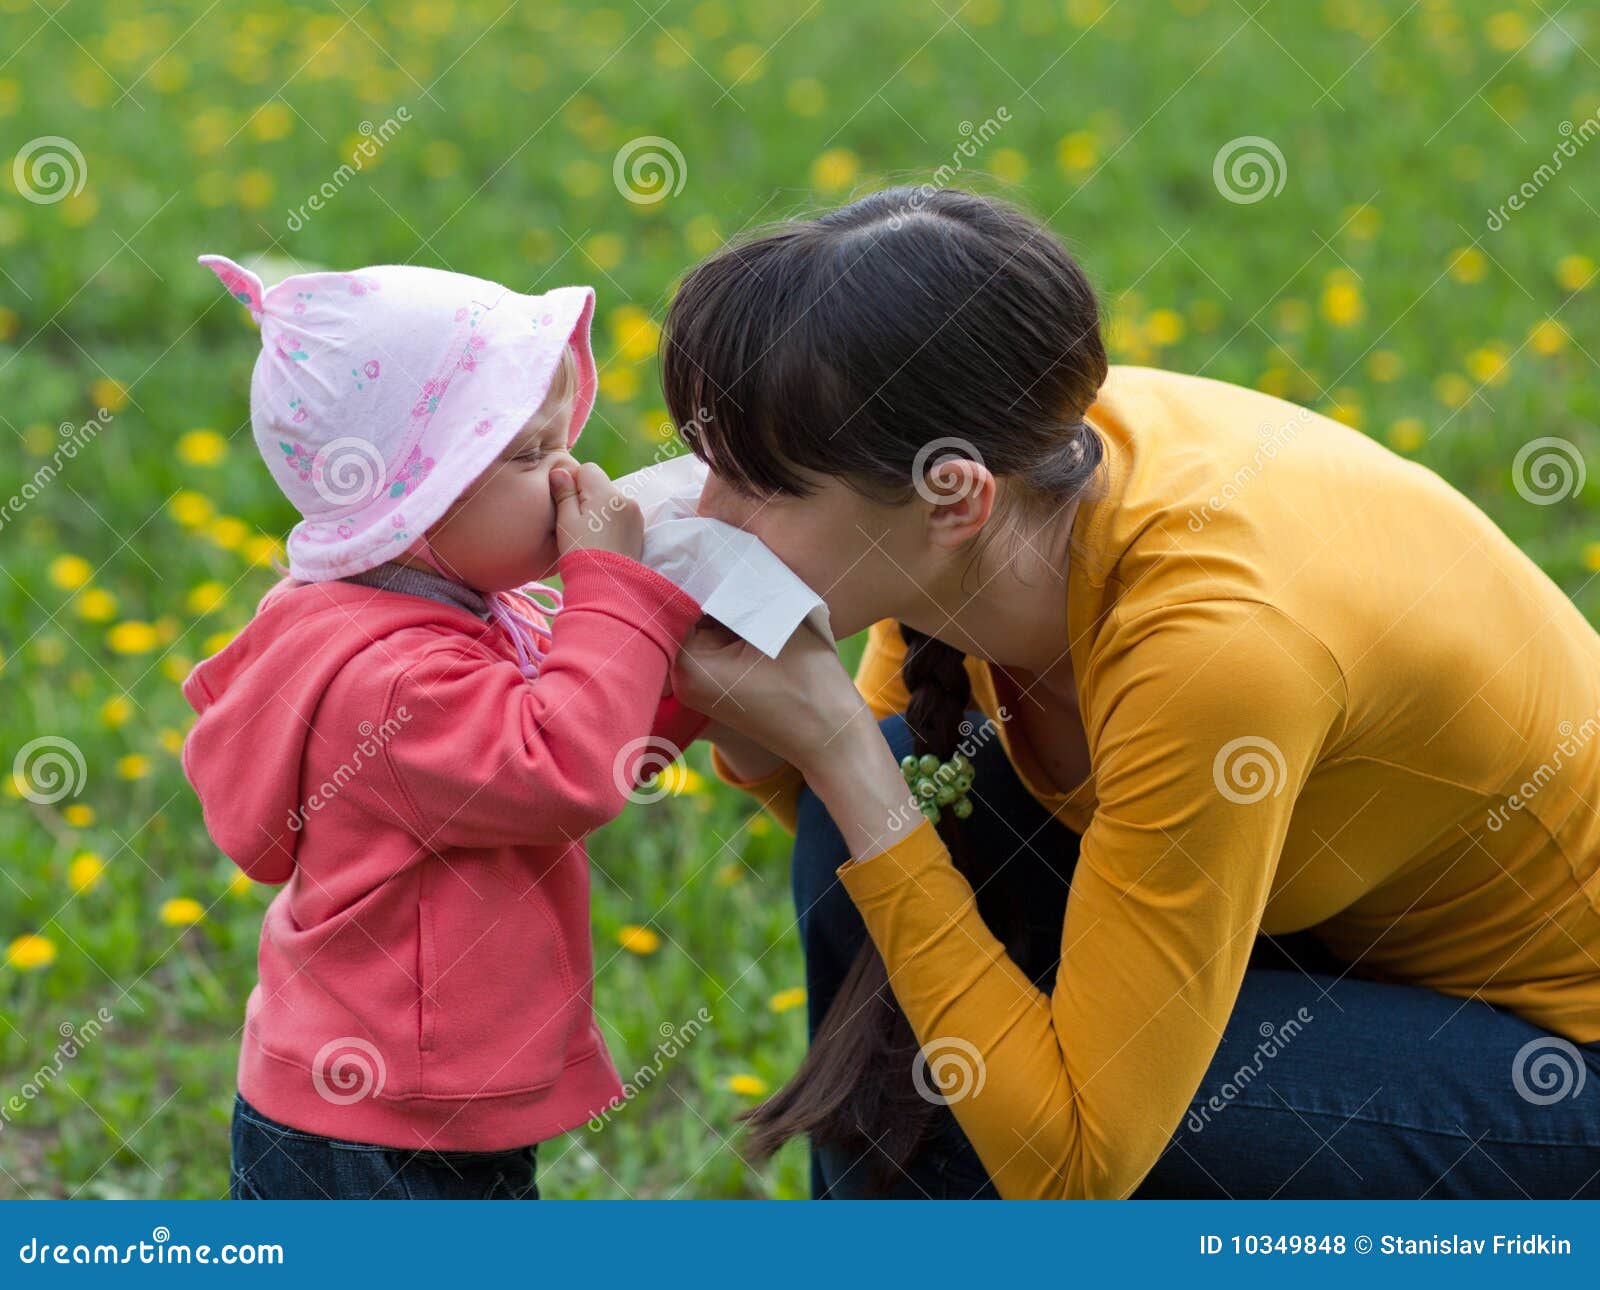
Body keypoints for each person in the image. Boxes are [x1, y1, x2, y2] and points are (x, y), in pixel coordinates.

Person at [666, 187, 1600, 1199]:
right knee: (890, 820)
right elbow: (865, 860)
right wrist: (762, 732)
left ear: (955, 499)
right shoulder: (1001, 459)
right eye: (705, 461)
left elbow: (1073, 1160)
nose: (705, 516)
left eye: (759, 485)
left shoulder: (1211, 645)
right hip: (1335, 958)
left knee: (986, 1093)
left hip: (1551, 1068)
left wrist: (836, 750)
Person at [183, 255, 707, 1199]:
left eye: (558, 442)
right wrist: (614, 595)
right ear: (410, 504)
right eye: (520, 457)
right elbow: (565, 767)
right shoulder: (394, 682)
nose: (568, 477)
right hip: (377, 1131)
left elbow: (599, 725)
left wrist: (688, 646)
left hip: (432, 1098)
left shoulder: (460, 618)